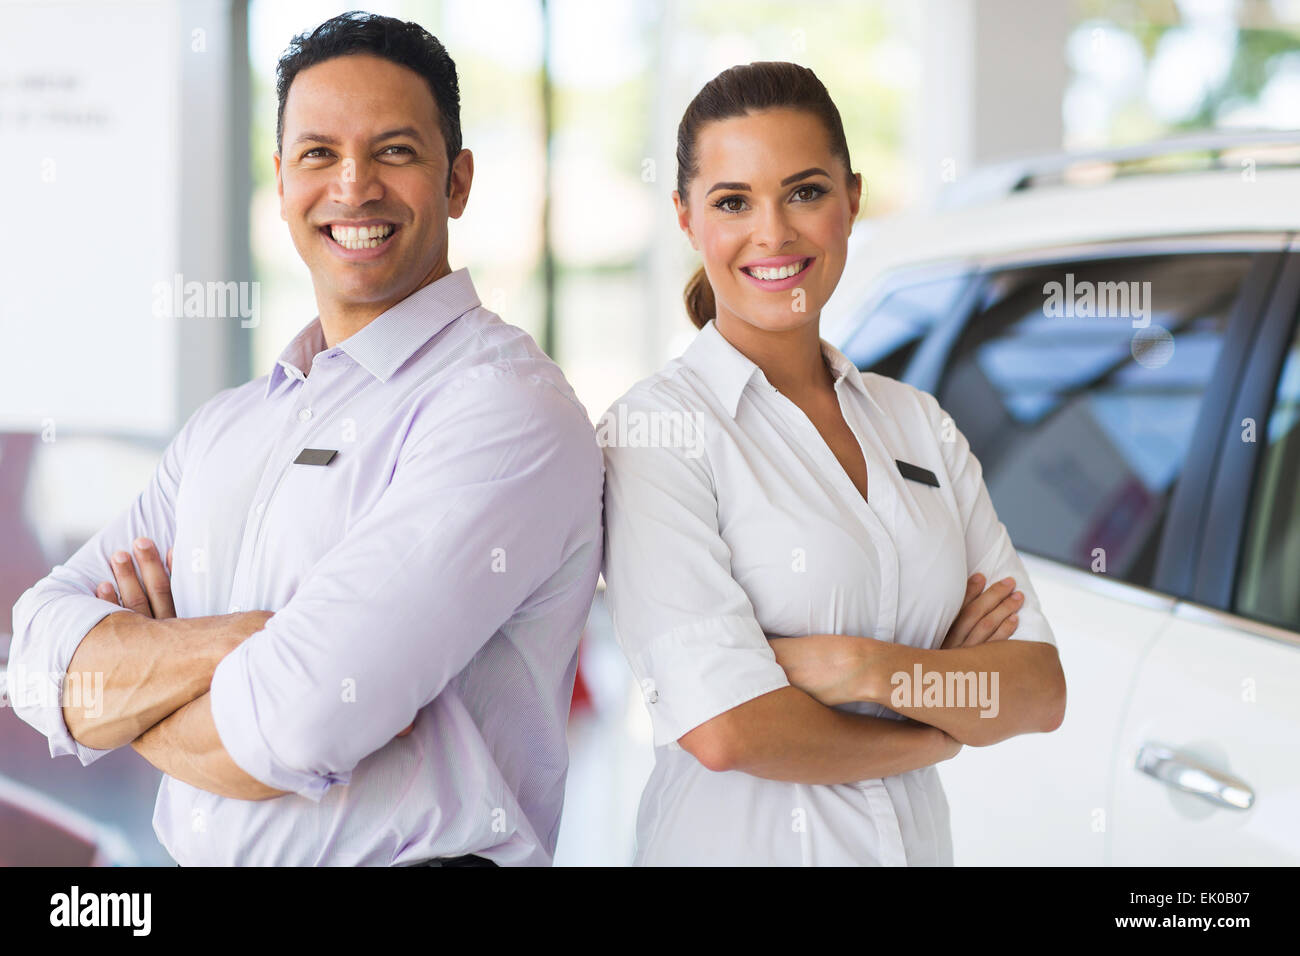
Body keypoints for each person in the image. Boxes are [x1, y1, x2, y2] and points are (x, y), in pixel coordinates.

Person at [7, 11, 603, 867]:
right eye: (319, 153)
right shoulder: (231, 424)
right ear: (281, 178)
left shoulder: (505, 411)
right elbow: (34, 662)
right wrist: (246, 641)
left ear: (458, 181)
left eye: (395, 150)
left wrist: (127, 694)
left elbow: (297, 721)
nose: (353, 187)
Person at [599, 61, 1067, 866]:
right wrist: (935, 724)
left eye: (805, 192)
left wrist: (862, 669)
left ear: (851, 198)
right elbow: (728, 727)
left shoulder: (916, 425)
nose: (774, 233)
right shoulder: (656, 433)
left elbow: (1034, 691)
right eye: (733, 201)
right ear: (685, 217)